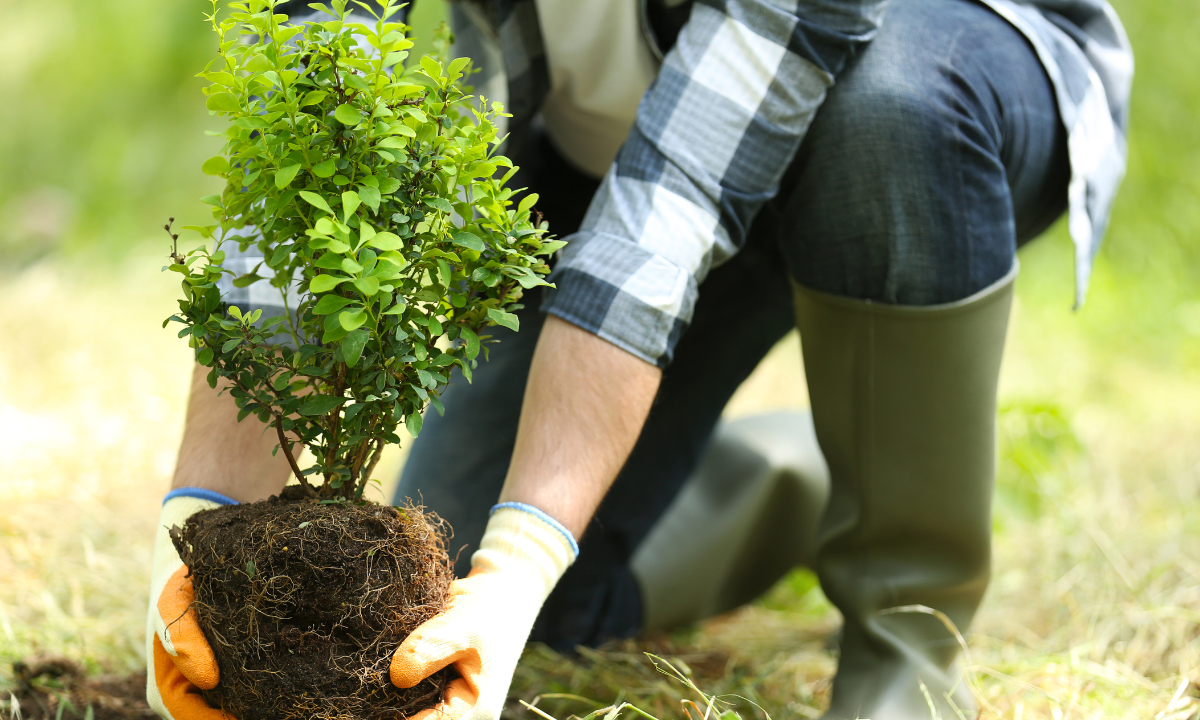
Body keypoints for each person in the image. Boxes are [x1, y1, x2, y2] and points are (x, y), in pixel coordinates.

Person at [145, 0, 1132, 717]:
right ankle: (808, 470)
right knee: (482, 601)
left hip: (918, 84)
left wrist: (526, 548)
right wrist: (198, 532)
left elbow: (677, 201)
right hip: (605, 152)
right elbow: (321, 133)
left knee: (888, 114)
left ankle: (907, 635)